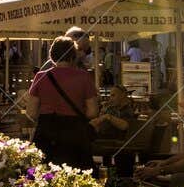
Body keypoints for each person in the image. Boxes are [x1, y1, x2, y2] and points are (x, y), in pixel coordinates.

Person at [24, 35, 99, 169]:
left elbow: (31, 112)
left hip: (46, 131)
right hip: (74, 132)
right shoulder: (83, 77)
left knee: (44, 175)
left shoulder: (41, 77)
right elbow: (93, 112)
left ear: (52, 55)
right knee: (77, 176)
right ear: (73, 55)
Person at [92, 84, 139, 177]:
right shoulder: (110, 108)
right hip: (107, 144)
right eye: (110, 96)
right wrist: (102, 114)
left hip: (122, 147)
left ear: (122, 95)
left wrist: (108, 117)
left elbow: (125, 125)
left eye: (113, 95)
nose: (111, 98)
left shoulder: (128, 109)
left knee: (123, 173)